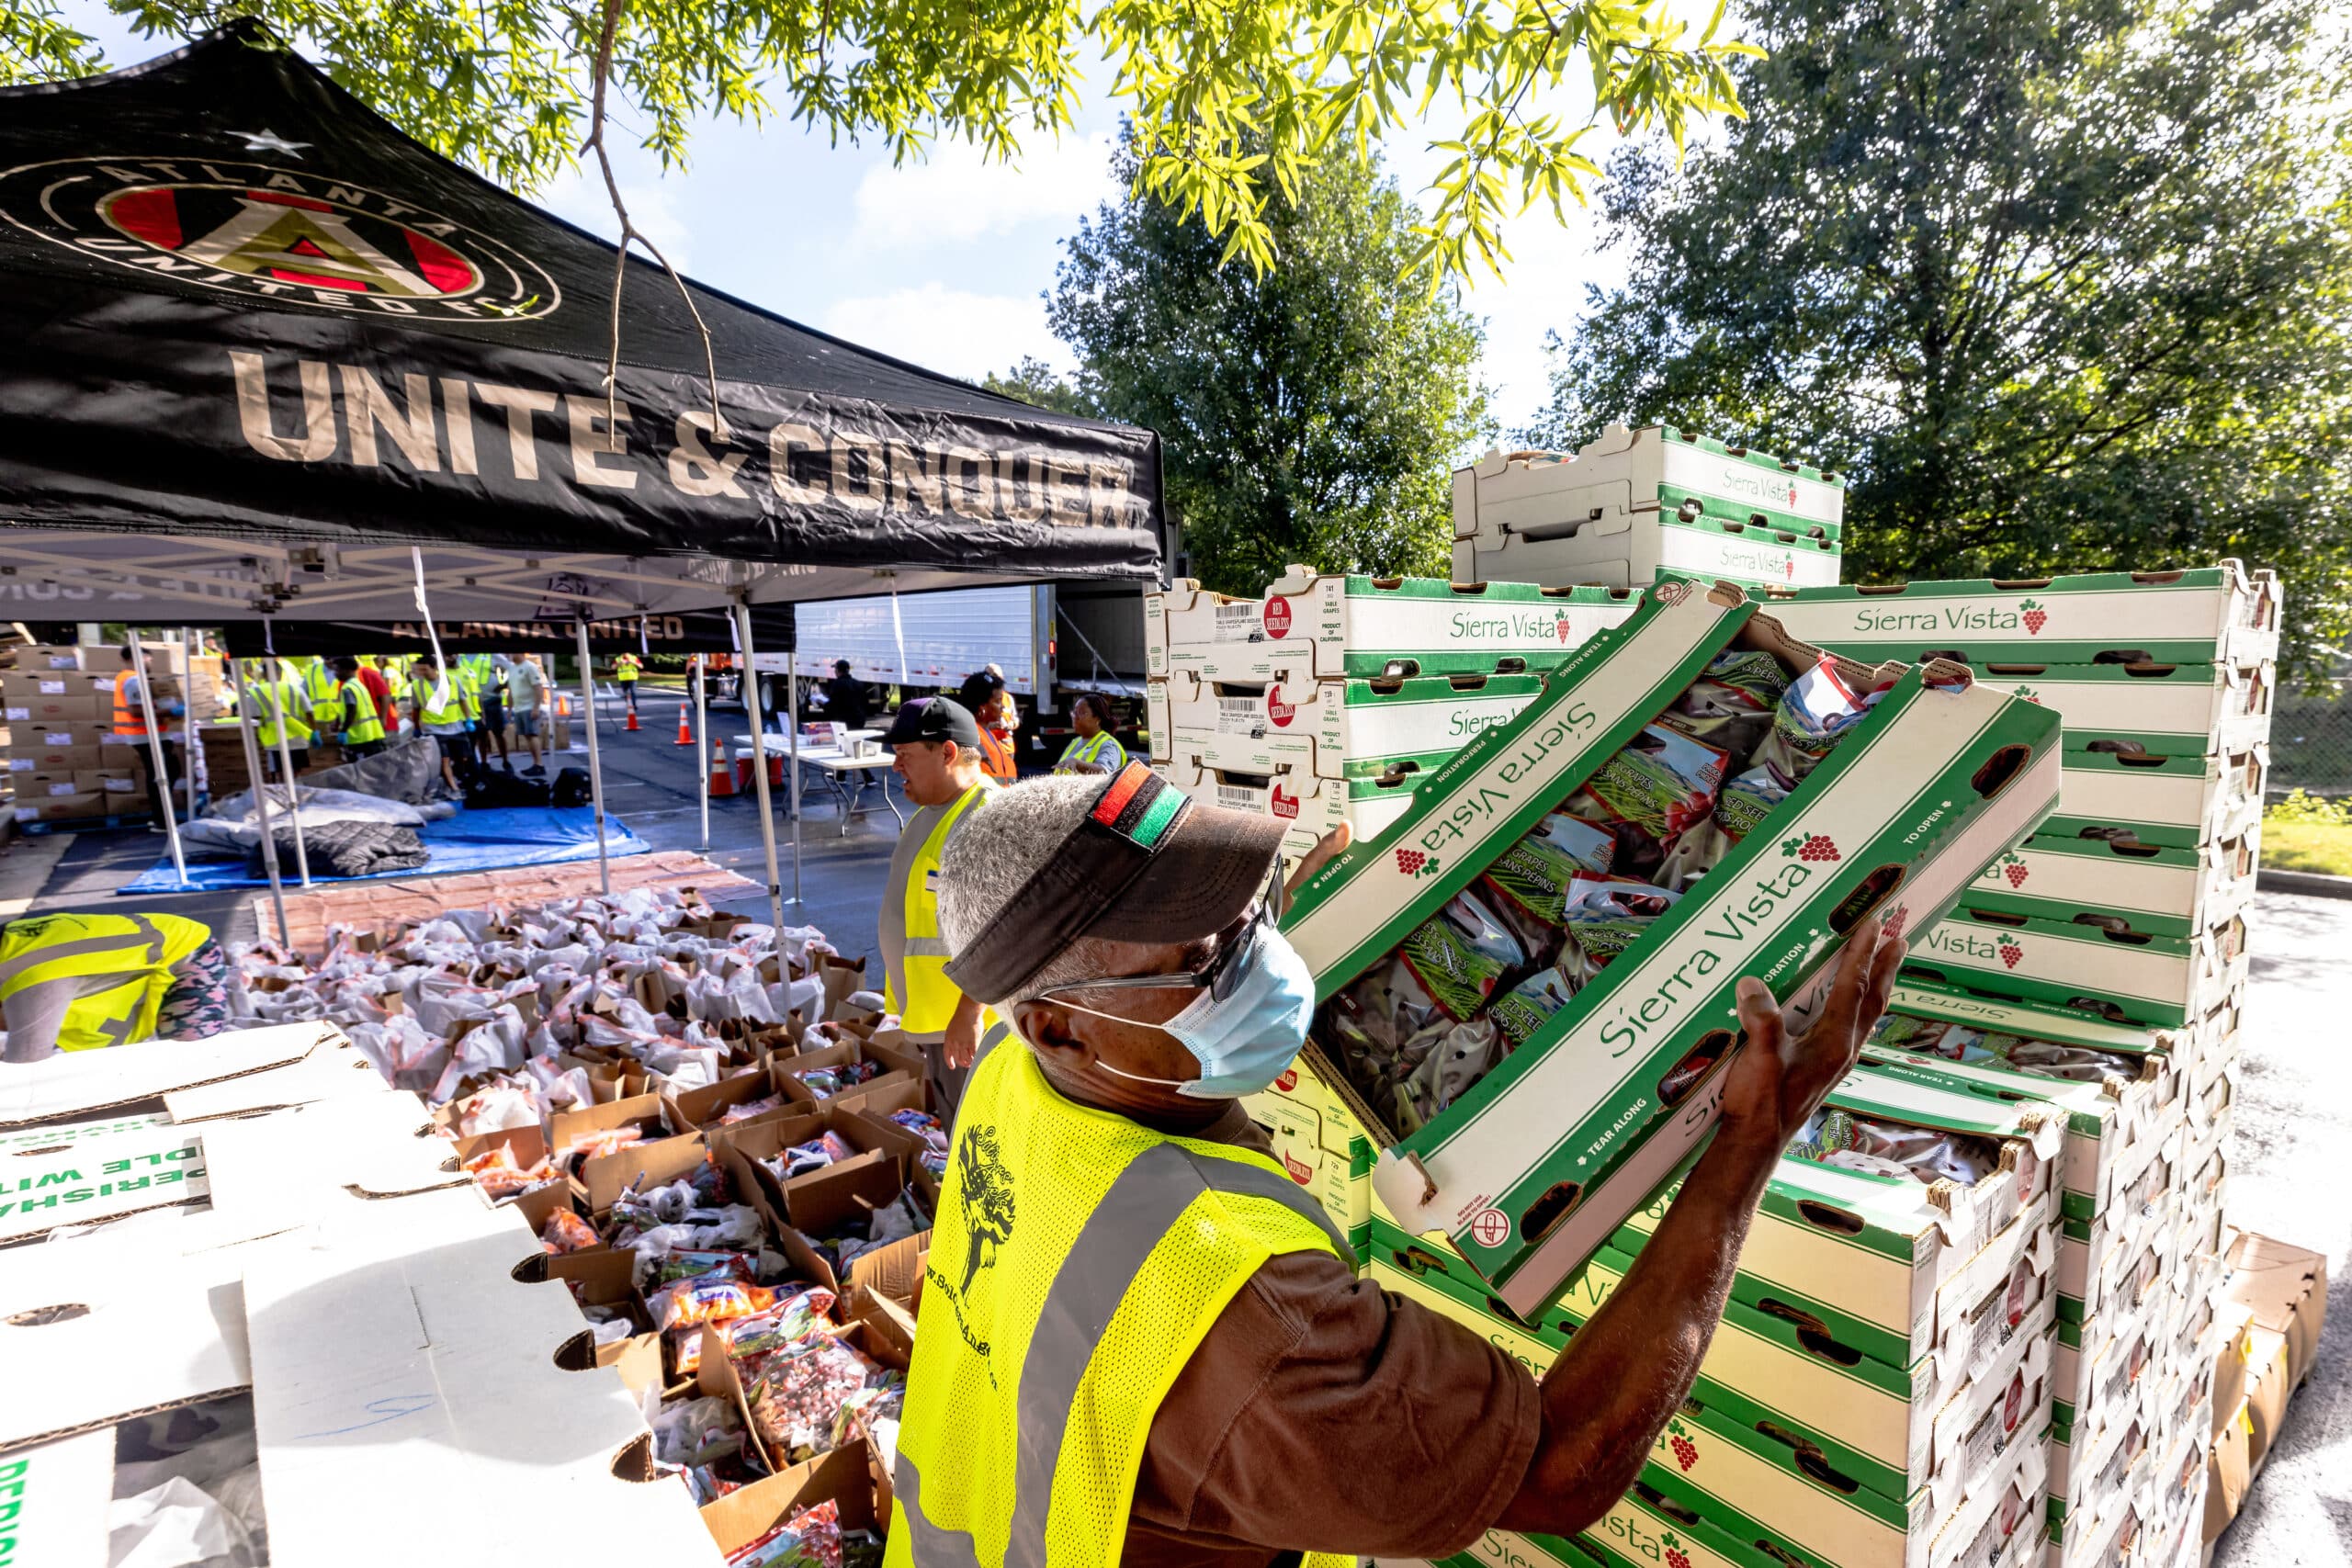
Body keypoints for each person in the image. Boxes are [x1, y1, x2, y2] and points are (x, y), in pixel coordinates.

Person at [885, 768, 1906, 1564]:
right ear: (1060, 1027)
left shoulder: (1015, 1086)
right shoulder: (1242, 1316)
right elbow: (1556, 1469)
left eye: (1252, 912)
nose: (1262, 961)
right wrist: (1746, 1148)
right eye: (1205, 962)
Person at [881, 697, 1000, 1120]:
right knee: (957, 1124)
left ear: (947, 752)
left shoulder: (985, 818)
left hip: (966, 1028)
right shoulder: (933, 811)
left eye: (905, 755)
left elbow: (1002, 930)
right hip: (937, 1020)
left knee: (977, 1133)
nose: (896, 767)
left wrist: (969, 1012)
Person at [0, 911, 236, 1063]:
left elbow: (26, 1067)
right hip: (143, 954)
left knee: (188, 1067)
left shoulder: (34, 979)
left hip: (191, 951)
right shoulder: (12, 940)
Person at [112, 646, 184, 833]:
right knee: (164, 774)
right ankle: (162, 821)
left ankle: (160, 818)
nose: (151, 662)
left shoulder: (128, 678)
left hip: (147, 735)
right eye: (148, 659)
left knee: (161, 774)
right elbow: (136, 711)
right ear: (138, 658)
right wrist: (171, 711)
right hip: (147, 735)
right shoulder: (133, 680)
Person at [409, 654, 474, 795]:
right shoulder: (416, 685)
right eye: (419, 670)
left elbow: (463, 701)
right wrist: (417, 727)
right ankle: (454, 789)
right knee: (444, 760)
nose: (421, 673)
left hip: (455, 727)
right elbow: (416, 709)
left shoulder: (453, 680)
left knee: (463, 758)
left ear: (434, 668)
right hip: (433, 729)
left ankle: (458, 780)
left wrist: (468, 719)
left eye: (425, 670)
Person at [237, 657, 312, 777]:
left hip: (274, 740)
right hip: (298, 738)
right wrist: (314, 732)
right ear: (280, 673)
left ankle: (284, 793)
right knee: (296, 771)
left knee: (281, 773)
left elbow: (254, 716)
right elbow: (309, 712)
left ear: (264, 675)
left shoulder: (256, 691)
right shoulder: (295, 688)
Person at [956, 667, 1018, 783]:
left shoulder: (985, 733)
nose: (1003, 707)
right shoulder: (972, 740)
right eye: (998, 701)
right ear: (982, 709)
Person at [1052, 693, 1127, 774]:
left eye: (1081, 712)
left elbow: (1105, 772)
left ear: (1098, 718)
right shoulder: (1075, 742)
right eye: (1075, 712)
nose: (1075, 717)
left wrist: (1078, 764)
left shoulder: (1109, 745)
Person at [333, 657, 388, 760]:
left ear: (347, 670)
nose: (335, 674)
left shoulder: (348, 688)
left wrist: (343, 730)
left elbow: (351, 710)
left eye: (337, 670)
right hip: (371, 734)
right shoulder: (359, 685)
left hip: (358, 737)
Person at [506, 652, 550, 776]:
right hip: (519, 708)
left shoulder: (530, 667)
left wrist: (536, 707)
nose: (508, 655)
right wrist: (510, 709)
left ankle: (539, 764)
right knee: (526, 735)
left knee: (532, 734)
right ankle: (535, 763)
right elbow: (511, 690)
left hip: (529, 707)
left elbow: (538, 688)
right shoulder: (512, 668)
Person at [477, 654, 512, 769]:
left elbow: (509, 670)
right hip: (475, 703)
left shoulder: (493, 656)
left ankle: (505, 761)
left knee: (498, 733)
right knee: (481, 735)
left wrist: (502, 685)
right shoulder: (464, 656)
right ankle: (484, 762)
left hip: (492, 700)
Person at [820, 659, 873, 732]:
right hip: (859, 721)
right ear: (848, 670)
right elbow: (865, 703)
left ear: (837, 671)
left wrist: (823, 704)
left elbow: (833, 705)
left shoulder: (837, 684)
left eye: (835, 669)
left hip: (844, 722)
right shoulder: (858, 684)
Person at [614, 650, 641, 715]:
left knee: (633, 691)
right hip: (623, 678)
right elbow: (613, 667)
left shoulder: (633, 658)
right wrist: (620, 663)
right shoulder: (618, 659)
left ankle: (634, 705)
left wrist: (633, 662)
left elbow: (641, 666)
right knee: (625, 693)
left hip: (632, 678)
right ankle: (629, 704)